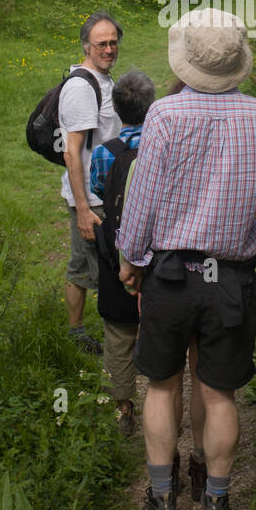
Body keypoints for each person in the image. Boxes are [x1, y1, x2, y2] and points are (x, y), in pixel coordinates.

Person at [117, 8, 256, 510]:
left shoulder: (164, 116)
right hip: (233, 280)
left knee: (161, 383)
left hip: (171, 275)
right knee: (218, 392)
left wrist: (130, 259)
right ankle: (216, 506)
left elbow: (142, 200)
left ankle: (162, 504)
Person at [89, 70, 156, 436]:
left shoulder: (104, 153)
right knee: (160, 326)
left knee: (117, 332)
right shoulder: (163, 146)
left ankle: (124, 408)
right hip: (158, 256)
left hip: (117, 255)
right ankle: (165, 394)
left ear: (116, 109)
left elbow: (98, 189)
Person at [58, 10, 123, 355]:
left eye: (113, 42)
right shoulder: (83, 88)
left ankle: (79, 333)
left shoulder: (102, 80)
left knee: (85, 267)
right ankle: (93, 339)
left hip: (100, 194)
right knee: (98, 270)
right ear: (86, 46)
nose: (109, 49)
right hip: (90, 199)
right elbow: (72, 152)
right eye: (102, 44)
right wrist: (82, 208)